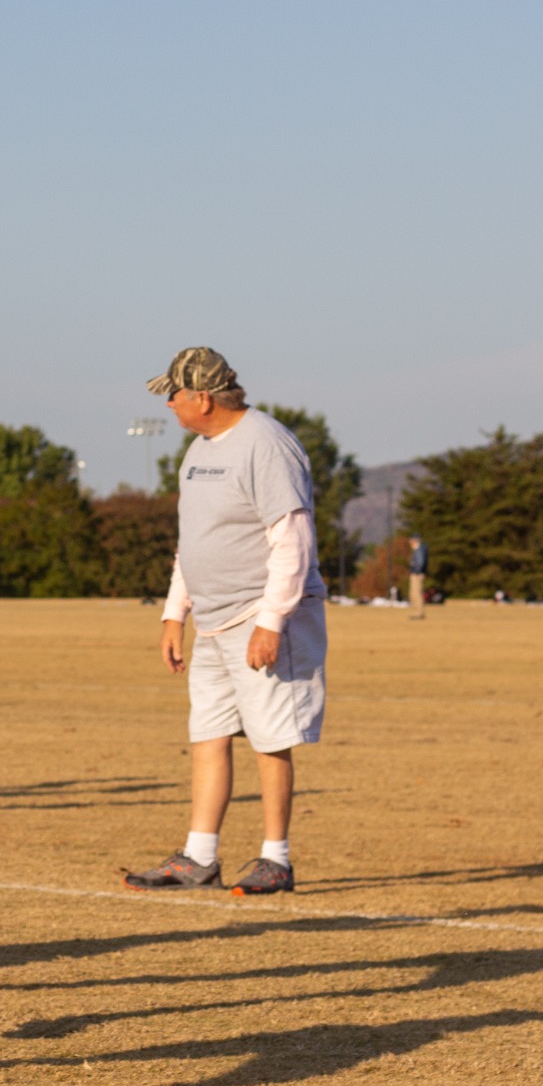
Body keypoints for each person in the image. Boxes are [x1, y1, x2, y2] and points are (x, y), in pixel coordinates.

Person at [125, 347, 327, 897]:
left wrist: (272, 620)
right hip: (212, 623)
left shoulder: (266, 443)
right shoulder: (197, 451)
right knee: (208, 735)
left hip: (259, 617)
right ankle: (199, 856)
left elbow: (292, 539)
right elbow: (193, 545)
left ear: (204, 398)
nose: (168, 404)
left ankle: (275, 859)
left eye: (175, 394)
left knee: (270, 738)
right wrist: (175, 614)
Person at [408, 536, 428, 620]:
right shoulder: (418, 550)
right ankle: (416, 611)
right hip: (416, 573)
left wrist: (416, 571)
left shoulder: (419, 550)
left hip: (417, 574)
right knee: (413, 593)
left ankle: (419, 613)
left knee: (416, 593)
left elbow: (420, 563)